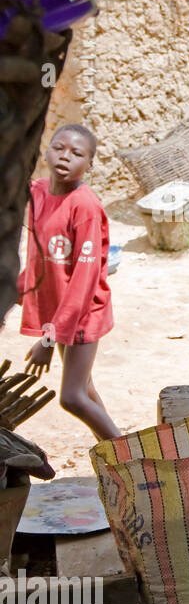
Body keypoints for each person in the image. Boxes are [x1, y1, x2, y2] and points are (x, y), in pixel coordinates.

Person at [19, 124, 121, 442]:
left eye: (77, 153)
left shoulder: (85, 207)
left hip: (81, 315)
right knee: (85, 389)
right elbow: (38, 259)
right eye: (58, 148)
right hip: (60, 313)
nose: (65, 157)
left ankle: (130, 457)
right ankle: (115, 454)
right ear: (46, 152)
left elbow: (82, 284)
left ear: (89, 164)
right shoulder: (36, 192)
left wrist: (47, 340)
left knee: (72, 397)